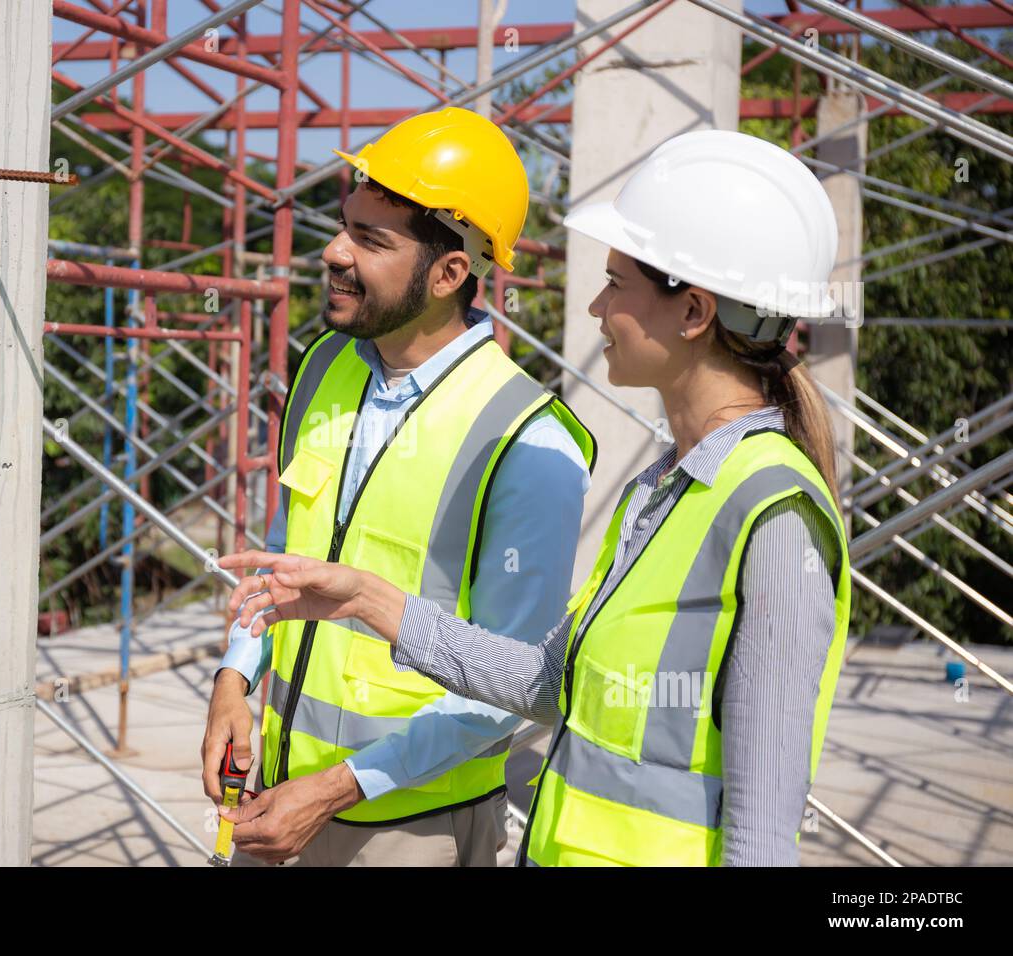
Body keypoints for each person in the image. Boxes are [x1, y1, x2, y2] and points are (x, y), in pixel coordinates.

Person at [217, 129, 853, 867]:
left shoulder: (771, 513)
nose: (592, 306)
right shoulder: (665, 487)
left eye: (616, 282)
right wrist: (358, 602)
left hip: (412, 823)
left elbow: (762, 837)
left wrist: (337, 785)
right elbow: (549, 681)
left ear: (693, 313)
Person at [201, 106, 597, 866]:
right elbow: (288, 557)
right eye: (344, 223)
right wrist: (233, 677)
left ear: (450, 274)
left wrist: (337, 788)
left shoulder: (526, 439)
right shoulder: (324, 364)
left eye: (369, 240)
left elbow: (517, 683)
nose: (332, 252)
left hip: (410, 830)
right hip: (276, 794)